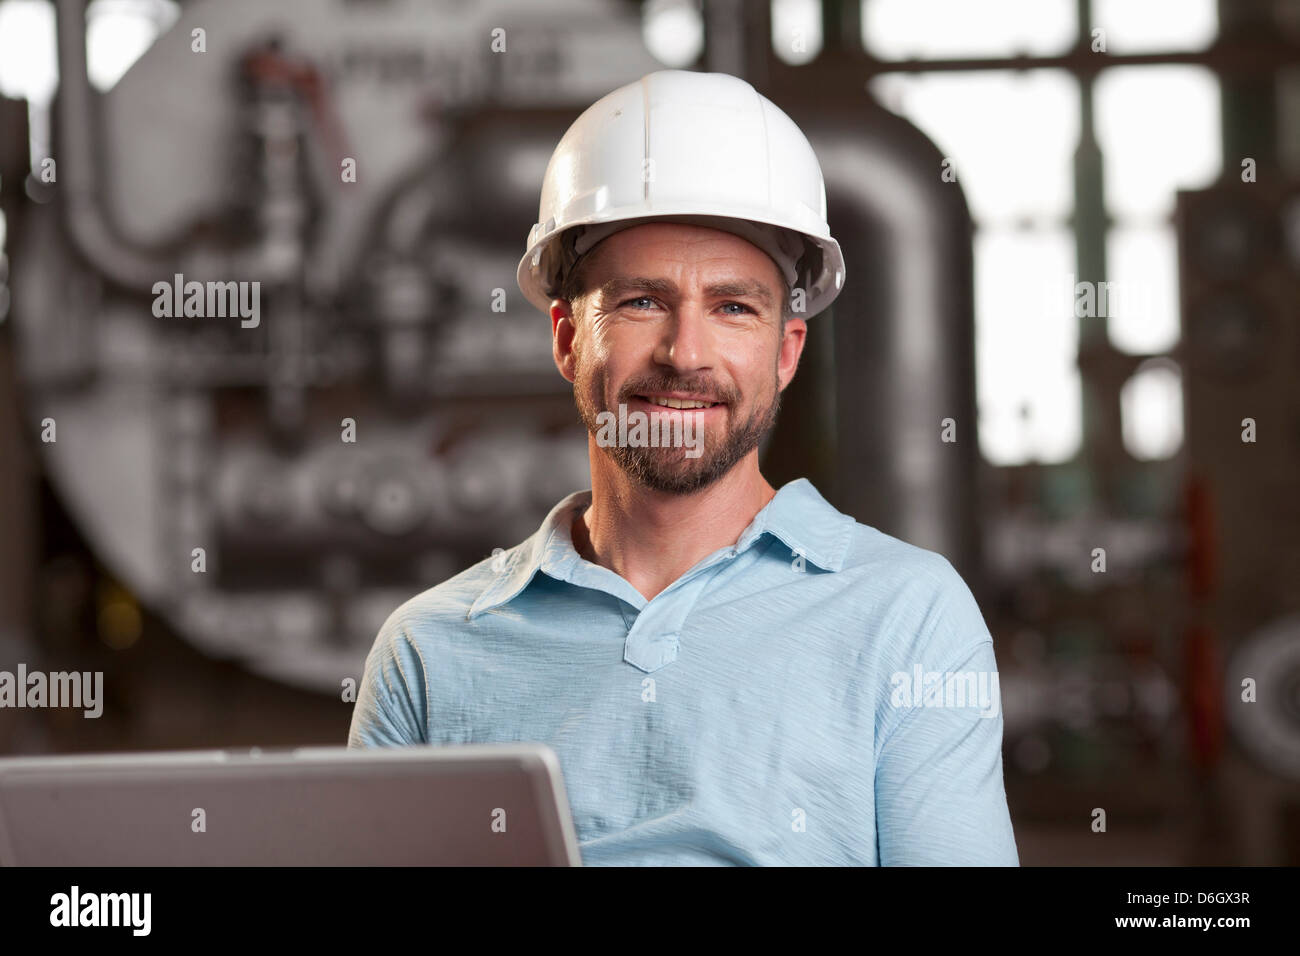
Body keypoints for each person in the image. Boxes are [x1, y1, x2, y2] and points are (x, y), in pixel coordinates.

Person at [348, 69, 1018, 866]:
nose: (686, 355)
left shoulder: (909, 619)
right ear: (567, 339)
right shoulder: (429, 653)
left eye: (734, 308)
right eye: (641, 302)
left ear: (786, 352)